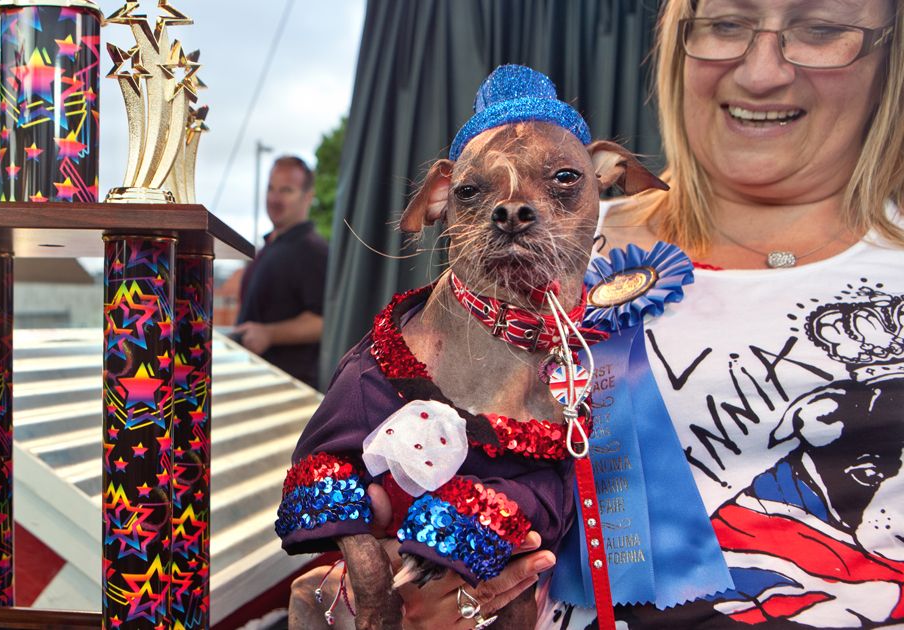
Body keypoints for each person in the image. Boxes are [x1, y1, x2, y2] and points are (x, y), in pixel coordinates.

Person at [353, 0, 904, 627]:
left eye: (822, 29)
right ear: (675, 43)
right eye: (726, 24)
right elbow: (417, 457)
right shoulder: (541, 241)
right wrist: (382, 594)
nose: (761, 73)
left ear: (890, 52)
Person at [235, 156, 329, 389]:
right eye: (271, 188)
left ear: (308, 197)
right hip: (255, 383)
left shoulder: (312, 250)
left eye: (286, 190)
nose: (274, 199)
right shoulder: (269, 246)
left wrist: (269, 334)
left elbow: (324, 322)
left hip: (290, 389)